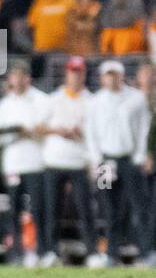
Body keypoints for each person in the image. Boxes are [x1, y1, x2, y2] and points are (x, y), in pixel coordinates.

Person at [85, 60, 153, 266]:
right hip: (106, 162)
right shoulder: (95, 102)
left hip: (129, 161)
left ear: (122, 75)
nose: (112, 78)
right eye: (108, 74)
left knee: (139, 206)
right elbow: (91, 132)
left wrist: (140, 155)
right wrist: (95, 159)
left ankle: (146, 253)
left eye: (115, 74)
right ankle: (111, 253)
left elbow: (144, 128)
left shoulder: (136, 98)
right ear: (102, 77)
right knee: (108, 208)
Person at [40, 56, 103, 267]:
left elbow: (99, 131)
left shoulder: (92, 100)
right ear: (67, 73)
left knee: (86, 209)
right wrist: (57, 130)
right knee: (52, 210)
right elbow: (38, 127)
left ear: (83, 74)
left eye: (79, 72)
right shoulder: (54, 98)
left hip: (80, 162)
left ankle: (93, 251)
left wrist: (80, 132)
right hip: (54, 161)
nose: (75, 75)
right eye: (72, 71)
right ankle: (50, 252)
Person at [0, 63, 49, 266]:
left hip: (35, 162)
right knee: (13, 209)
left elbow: (46, 130)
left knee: (37, 208)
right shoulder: (5, 105)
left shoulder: (41, 100)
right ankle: (16, 251)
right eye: (15, 75)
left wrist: (29, 132)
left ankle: (40, 250)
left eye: (22, 75)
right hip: (13, 163)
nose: (18, 80)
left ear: (28, 78)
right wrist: (4, 136)